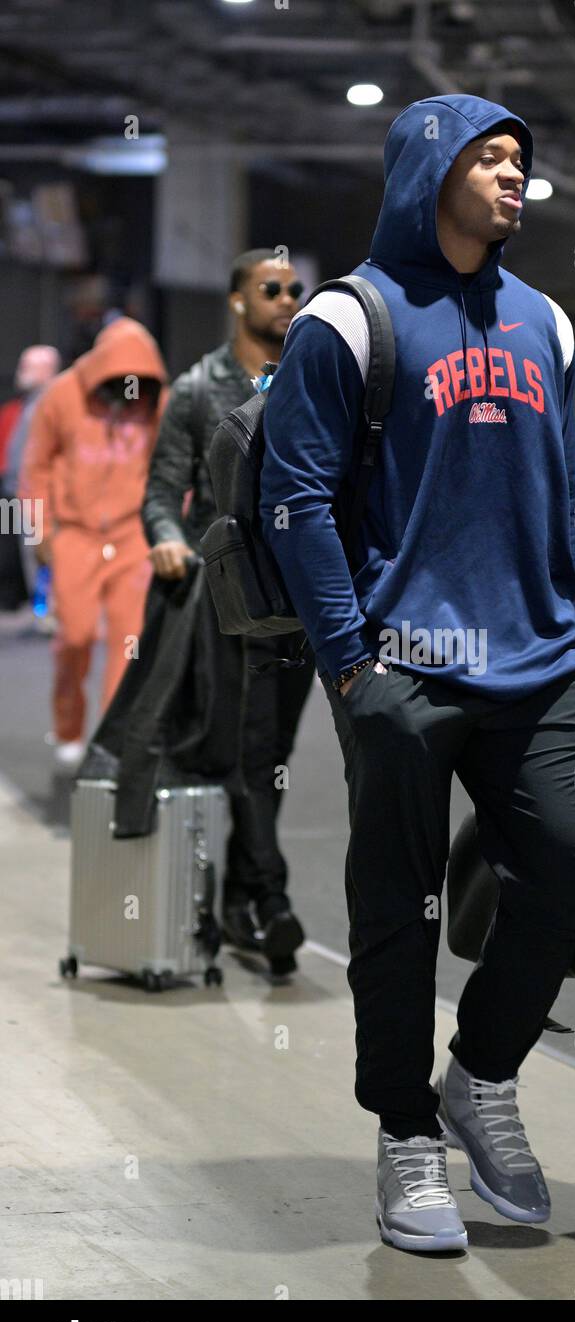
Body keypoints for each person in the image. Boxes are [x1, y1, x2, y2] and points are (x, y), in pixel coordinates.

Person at [260, 94, 575, 1253]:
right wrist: (353, 664)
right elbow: (295, 501)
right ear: (428, 170)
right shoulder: (346, 322)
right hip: (402, 670)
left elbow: (562, 498)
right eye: (492, 159)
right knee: (398, 914)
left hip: (539, 662)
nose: (516, 178)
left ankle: (480, 1077)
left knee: (570, 862)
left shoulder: (545, 325)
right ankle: (405, 1135)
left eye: (523, 159)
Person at [142, 249, 314, 977]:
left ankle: (243, 901)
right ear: (238, 301)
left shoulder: (310, 379)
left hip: (302, 597)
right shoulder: (195, 389)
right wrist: (167, 541)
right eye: (271, 290)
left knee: (273, 752)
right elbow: (160, 492)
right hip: (227, 595)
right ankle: (267, 900)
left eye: (294, 290)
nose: (286, 299)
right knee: (244, 748)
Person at [19, 320, 167, 768]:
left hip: (131, 535)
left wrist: (166, 530)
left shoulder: (158, 400)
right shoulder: (61, 396)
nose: (129, 388)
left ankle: (112, 740)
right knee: (75, 636)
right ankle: (68, 726)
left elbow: (172, 468)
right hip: (75, 532)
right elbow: (36, 467)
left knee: (130, 643)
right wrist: (39, 530)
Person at [4, 346, 61, 621]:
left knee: (43, 550)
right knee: (28, 550)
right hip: (19, 492)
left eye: (28, 366)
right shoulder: (31, 403)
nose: (20, 371)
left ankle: (51, 611)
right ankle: (42, 610)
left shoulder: (53, 402)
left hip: (41, 495)